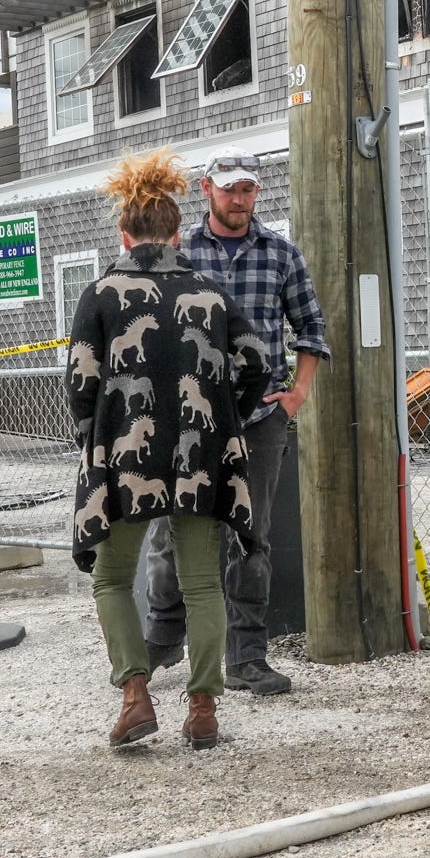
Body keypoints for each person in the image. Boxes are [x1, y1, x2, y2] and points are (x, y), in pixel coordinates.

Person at [67, 149, 271, 750]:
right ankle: (203, 709)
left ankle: (135, 697)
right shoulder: (208, 294)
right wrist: (228, 409)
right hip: (199, 453)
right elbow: (256, 362)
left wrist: (95, 435)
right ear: (177, 233)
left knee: (111, 579)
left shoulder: (100, 293)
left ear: (124, 233)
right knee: (204, 583)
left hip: (124, 460)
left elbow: (80, 382)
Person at [140, 144, 329, 696]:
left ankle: (246, 656)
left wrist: (296, 394)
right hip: (186, 417)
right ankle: (162, 637)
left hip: (259, 417)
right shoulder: (178, 249)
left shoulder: (281, 254)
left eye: (248, 189)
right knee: (168, 528)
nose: (240, 199)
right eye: (230, 190)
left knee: (251, 536)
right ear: (207, 190)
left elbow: (311, 330)